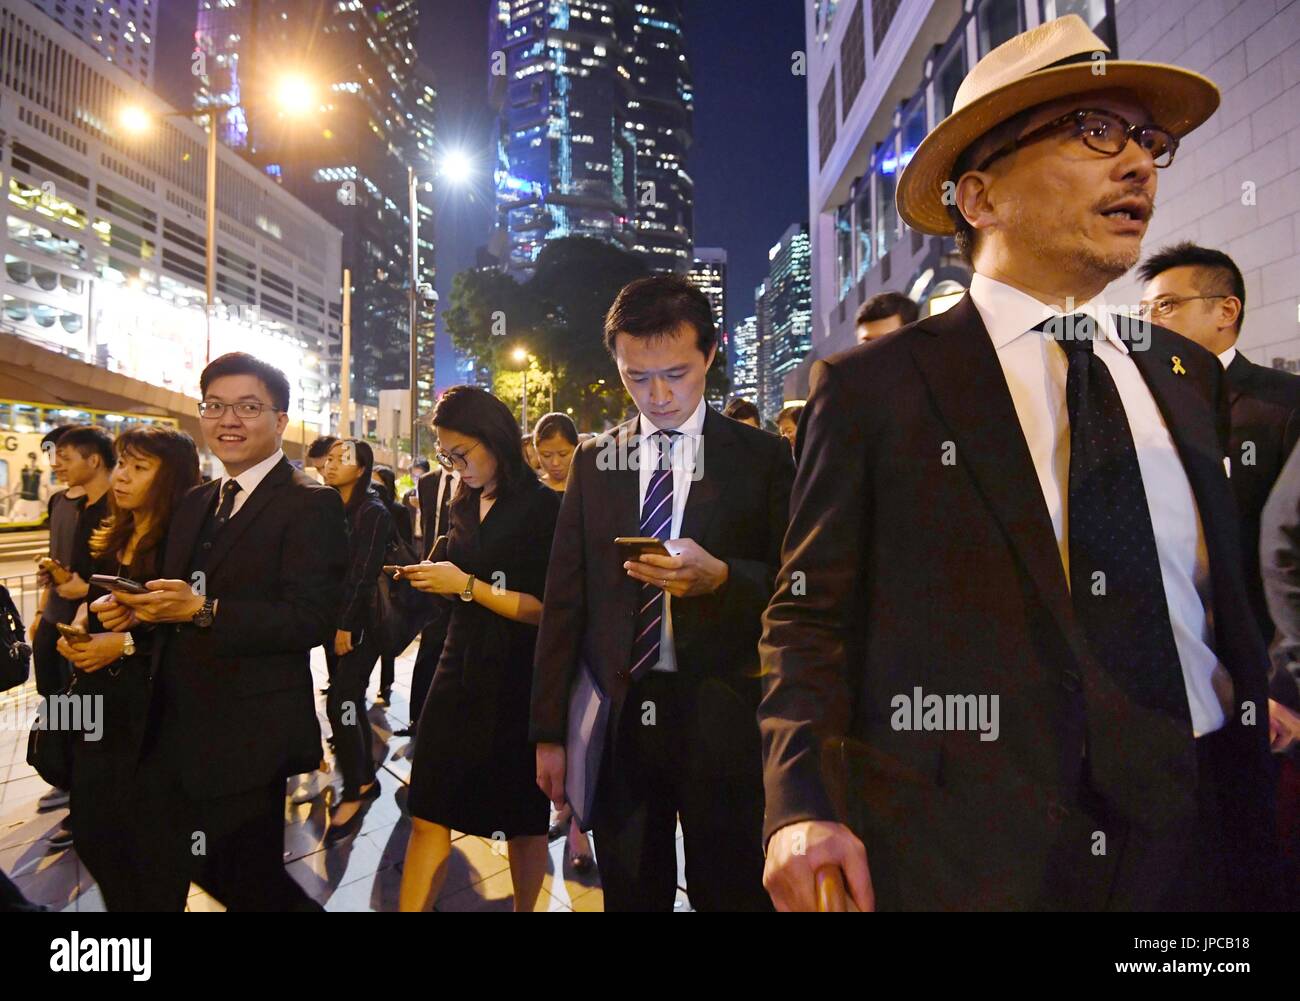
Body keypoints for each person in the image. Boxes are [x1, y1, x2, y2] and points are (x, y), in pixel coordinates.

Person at [759, 14, 1284, 912]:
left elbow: (1214, 587)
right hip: (984, 848)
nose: (1140, 165)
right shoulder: (876, 387)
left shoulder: (1184, 372)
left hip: (1205, 828)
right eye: (1096, 132)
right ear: (980, 197)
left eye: (1149, 141)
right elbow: (810, 617)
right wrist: (799, 804)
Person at [532, 274, 795, 911]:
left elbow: (800, 589)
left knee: (731, 888)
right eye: (635, 377)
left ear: (709, 354)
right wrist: (548, 732)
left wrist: (726, 577)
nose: (657, 395)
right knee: (629, 893)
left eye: (676, 374)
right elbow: (565, 602)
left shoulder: (762, 459)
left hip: (725, 715)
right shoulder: (597, 464)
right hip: (622, 719)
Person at [93, 351, 348, 911]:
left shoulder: (311, 503)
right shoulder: (197, 501)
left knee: (245, 877)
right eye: (214, 406)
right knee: (166, 861)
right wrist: (140, 613)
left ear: (280, 420)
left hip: (248, 738)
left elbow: (310, 619)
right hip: (167, 728)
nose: (228, 420)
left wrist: (205, 610)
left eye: (248, 407)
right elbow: (178, 600)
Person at [397, 386, 560, 911]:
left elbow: (546, 609)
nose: (454, 466)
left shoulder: (543, 507)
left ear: (496, 440)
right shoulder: (463, 501)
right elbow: (455, 570)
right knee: (427, 808)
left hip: (517, 678)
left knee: (522, 821)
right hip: (456, 663)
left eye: (461, 454)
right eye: (446, 455)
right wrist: (426, 579)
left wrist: (467, 586)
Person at [55, 425, 201, 910]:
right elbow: (92, 601)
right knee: (96, 834)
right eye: (121, 464)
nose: (122, 477)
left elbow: (192, 632)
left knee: (153, 855)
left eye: (139, 468)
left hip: (156, 718)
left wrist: (123, 644)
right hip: (98, 710)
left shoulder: (186, 544)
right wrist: (82, 624)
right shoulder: (113, 531)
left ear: (172, 479)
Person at [1138, 244, 1300, 650]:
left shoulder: (1286, 401)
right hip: (1170, 638)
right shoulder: (1140, 402)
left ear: (1226, 311)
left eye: (1167, 305)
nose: (1149, 321)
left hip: (1262, 641)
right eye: (1144, 311)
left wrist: (1285, 661)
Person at [34, 425, 115, 849]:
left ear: (93, 459)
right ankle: (67, 779)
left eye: (64, 456)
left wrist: (83, 592)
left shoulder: (116, 507)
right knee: (58, 700)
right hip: (59, 620)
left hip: (92, 628)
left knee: (87, 713)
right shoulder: (69, 505)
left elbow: (114, 579)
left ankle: (85, 805)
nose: (56, 464)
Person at [527, 411, 593, 871]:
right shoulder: (531, 498)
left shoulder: (592, 488)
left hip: (585, 623)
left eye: (562, 454)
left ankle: (580, 828)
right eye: (545, 454)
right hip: (541, 622)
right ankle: (564, 806)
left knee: (586, 727)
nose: (553, 463)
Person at [320, 439, 390, 843]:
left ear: (361, 469)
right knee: (349, 702)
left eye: (340, 460)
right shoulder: (328, 507)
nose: (330, 465)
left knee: (340, 702)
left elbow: (364, 573)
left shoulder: (372, 512)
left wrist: (346, 625)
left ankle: (357, 786)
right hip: (334, 622)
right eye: (328, 459)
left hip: (363, 624)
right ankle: (362, 776)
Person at [399, 449, 461, 740]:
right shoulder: (426, 482)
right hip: (429, 573)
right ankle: (417, 720)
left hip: (461, 577)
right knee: (427, 651)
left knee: (451, 651)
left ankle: (443, 723)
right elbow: (426, 528)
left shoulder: (473, 479)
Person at [533, 412, 579, 495]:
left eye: (563, 454)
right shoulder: (530, 491)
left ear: (576, 448)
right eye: (546, 455)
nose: (555, 463)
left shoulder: (590, 488)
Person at [403, 457, 430, 555]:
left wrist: (420, 506)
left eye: (420, 476)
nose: (417, 480)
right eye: (414, 476)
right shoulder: (408, 495)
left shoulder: (432, 495)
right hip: (411, 541)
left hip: (426, 541)